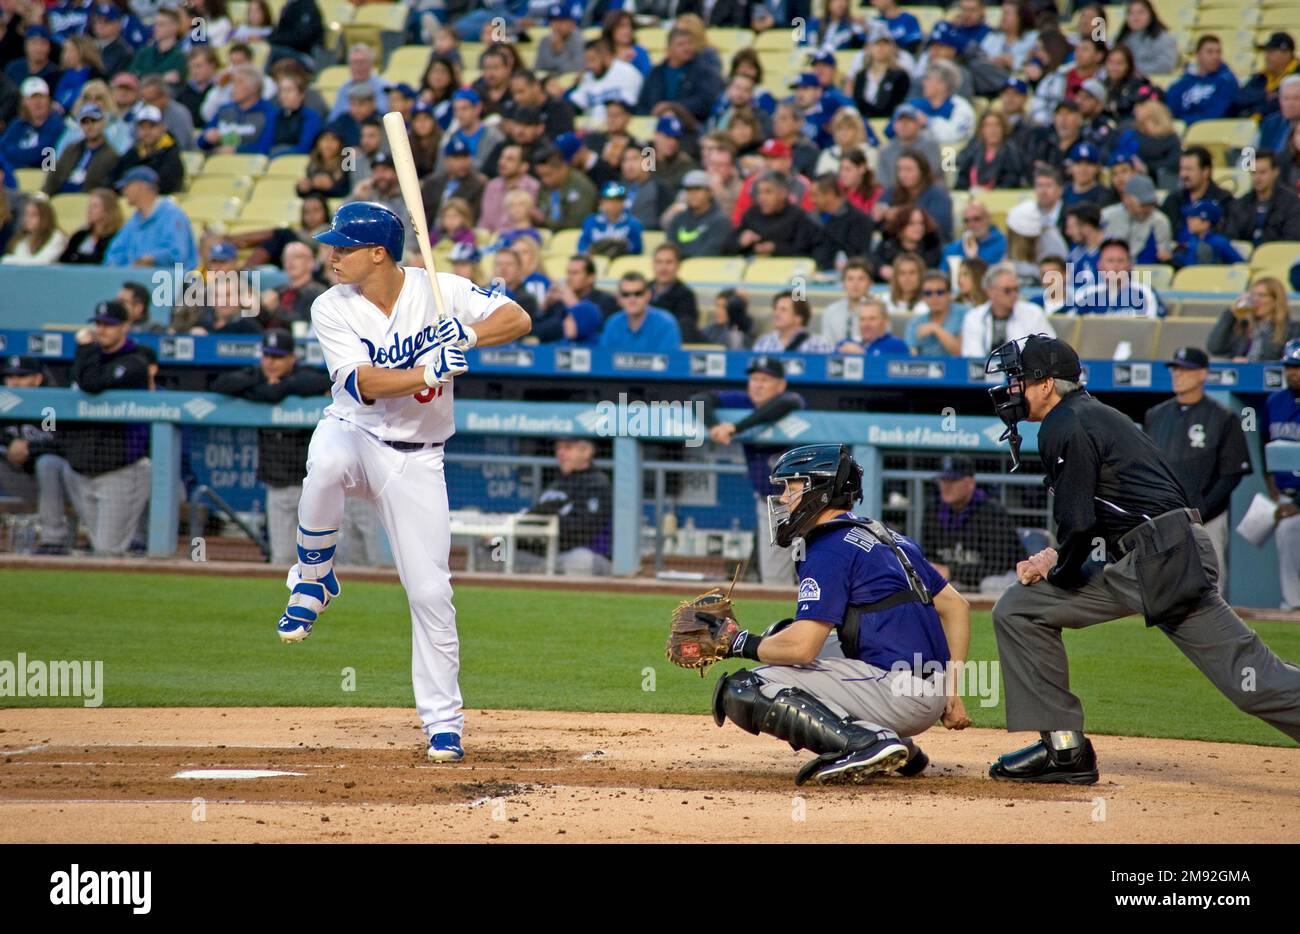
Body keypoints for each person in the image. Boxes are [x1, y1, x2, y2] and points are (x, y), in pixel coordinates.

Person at [279, 200, 531, 765]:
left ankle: (444, 725)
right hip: (354, 431)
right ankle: (313, 578)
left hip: (418, 459)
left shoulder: (438, 288)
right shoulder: (330, 306)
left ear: (378, 254)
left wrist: (466, 333)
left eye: (343, 247)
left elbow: (518, 318)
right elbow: (363, 382)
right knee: (323, 465)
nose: (332, 256)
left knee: (430, 593)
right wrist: (430, 369)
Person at [984, 334, 1300, 783]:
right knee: (1019, 607)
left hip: (1161, 559)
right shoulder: (1092, 415)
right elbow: (1098, 519)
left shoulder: (1063, 423)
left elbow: (1077, 523)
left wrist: (1058, 568)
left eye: (1019, 380)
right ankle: (1064, 749)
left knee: (1251, 681)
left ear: (1047, 385)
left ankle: (1065, 753)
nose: (1011, 390)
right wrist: (1061, 558)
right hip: (1158, 554)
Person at [705, 443, 971, 784]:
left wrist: (737, 642)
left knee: (745, 687)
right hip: (920, 685)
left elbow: (804, 648)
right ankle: (902, 751)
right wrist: (952, 689)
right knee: (779, 636)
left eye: (792, 486)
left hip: (899, 692)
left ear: (820, 490)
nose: (784, 498)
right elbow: (956, 606)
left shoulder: (828, 547)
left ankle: (867, 743)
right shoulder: (887, 535)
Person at [34, 300, 153, 557]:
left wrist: (85, 349)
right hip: (80, 469)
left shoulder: (134, 361)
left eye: (109, 325)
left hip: (121, 469)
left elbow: (92, 383)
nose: (102, 330)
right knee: (101, 548)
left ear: (126, 327)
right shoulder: (86, 358)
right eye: (98, 324)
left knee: (108, 550)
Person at [211, 329, 332, 565]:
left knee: (323, 559)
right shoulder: (255, 375)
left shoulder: (307, 377)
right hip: (277, 485)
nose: (271, 363)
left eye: (277, 357)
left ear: (291, 358)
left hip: (313, 485)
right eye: (267, 356)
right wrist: (263, 386)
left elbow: (322, 381)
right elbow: (221, 384)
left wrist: (279, 388)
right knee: (282, 559)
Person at [1142, 346, 1251, 590]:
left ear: (1203, 374)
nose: (1178, 375)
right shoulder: (1156, 415)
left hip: (1207, 519)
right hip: (1164, 516)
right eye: (1175, 369)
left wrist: (1204, 508)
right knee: (1165, 589)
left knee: (1210, 586)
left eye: (1186, 370)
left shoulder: (1223, 416)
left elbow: (1231, 473)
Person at [692, 357, 807, 586]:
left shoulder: (788, 400)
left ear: (781, 385)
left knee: (817, 571)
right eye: (754, 379)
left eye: (765, 379)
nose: (758, 384)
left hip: (808, 503)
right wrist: (715, 426)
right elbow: (698, 399)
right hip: (772, 503)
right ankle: (785, 622)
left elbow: (789, 403)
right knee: (775, 580)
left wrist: (735, 427)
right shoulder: (743, 400)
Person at [507, 438, 613, 576]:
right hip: (540, 555)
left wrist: (532, 533)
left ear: (587, 452)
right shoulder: (556, 483)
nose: (561, 453)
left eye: (568, 448)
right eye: (558, 448)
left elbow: (581, 529)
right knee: (495, 551)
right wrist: (505, 534)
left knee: (580, 560)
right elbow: (533, 517)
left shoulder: (597, 483)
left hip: (577, 555)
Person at [922, 453, 1026, 592]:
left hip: (1001, 578)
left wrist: (953, 572)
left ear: (970, 483)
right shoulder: (933, 511)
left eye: (952, 481)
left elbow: (999, 565)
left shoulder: (992, 512)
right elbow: (928, 556)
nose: (946, 486)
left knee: (989, 585)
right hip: (957, 580)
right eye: (943, 480)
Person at [1262, 340, 1300, 609]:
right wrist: (1271, 485)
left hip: (1296, 501)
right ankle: (1293, 606)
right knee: (1286, 535)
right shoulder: (1274, 402)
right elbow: (1264, 444)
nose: (1292, 372)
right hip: (1286, 495)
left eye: (1297, 367)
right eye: (1289, 366)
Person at [103, 166, 197, 269]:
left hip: (171, 282)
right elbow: (115, 254)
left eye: (127, 186)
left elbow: (178, 254)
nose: (124, 191)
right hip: (135, 280)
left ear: (140, 187)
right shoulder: (132, 223)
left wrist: (152, 259)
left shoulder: (172, 215)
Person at [960, 263, 1056, 358]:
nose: (1013, 294)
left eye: (1016, 289)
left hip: (1025, 371)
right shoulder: (974, 317)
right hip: (984, 371)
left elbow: (1051, 348)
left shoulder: (1033, 313)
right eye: (1007, 290)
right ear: (990, 291)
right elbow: (971, 355)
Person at [635, 27, 723, 123]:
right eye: (680, 44)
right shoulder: (656, 72)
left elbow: (704, 102)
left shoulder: (704, 71)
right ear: (668, 49)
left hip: (691, 125)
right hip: (655, 123)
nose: (687, 48)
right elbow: (643, 104)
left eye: (689, 43)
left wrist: (672, 107)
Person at [730, 172, 822, 257]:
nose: (762, 198)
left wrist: (775, 248)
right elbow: (725, 248)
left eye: (768, 192)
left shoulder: (798, 217)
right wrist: (740, 242)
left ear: (783, 193)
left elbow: (804, 251)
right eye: (759, 192)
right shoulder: (751, 214)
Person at [1208, 276, 1300, 361]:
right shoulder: (1243, 326)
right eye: (1252, 295)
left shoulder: (1292, 329)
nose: (1255, 300)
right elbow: (1215, 348)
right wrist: (1230, 314)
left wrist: (1251, 363)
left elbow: (1290, 362)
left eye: (1261, 295)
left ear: (1275, 300)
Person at [1069, 238, 1165, 317]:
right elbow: (1068, 325)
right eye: (1110, 261)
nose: (1115, 265)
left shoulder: (1145, 293)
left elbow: (1152, 329)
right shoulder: (1086, 294)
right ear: (1099, 265)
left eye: (1120, 260)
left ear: (1130, 265)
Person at [1225, 150, 1300, 246]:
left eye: (1262, 172)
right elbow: (1231, 237)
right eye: (1253, 173)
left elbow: (1291, 240)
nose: (1257, 177)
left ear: (1275, 172)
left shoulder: (1292, 204)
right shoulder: (1240, 204)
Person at [1160, 146, 1234, 241]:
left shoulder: (1224, 200)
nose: (1183, 174)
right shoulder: (1173, 200)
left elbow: (1227, 234)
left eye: (1189, 169)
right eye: (1182, 169)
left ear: (1206, 171)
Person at [598, 271, 681, 352]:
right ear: (618, 298)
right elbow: (605, 361)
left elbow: (670, 362)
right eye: (626, 294)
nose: (632, 299)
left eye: (638, 293)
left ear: (648, 295)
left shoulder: (666, 323)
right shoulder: (612, 324)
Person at [1101, 174, 1173, 264]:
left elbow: (1163, 258)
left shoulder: (1160, 222)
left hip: (1145, 273)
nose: (1148, 208)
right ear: (1126, 199)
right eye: (1143, 204)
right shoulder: (1107, 216)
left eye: (1151, 204)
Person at [1167, 35, 1238, 126]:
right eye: (1210, 52)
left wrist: (1185, 122)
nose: (1215, 56)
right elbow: (1170, 111)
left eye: (1218, 52)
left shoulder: (1227, 81)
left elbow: (1218, 113)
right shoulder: (1183, 83)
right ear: (1198, 55)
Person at [809, 173, 873, 273]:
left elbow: (861, 257)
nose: (812, 200)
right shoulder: (811, 220)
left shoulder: (859, 221)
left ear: (830, 194)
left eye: (815, 195)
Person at [664, 169, 732, 258]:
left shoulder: (720, 221)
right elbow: (670, 249)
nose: (693, 194)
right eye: (689, 190)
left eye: (698, 189)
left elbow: (712, 251)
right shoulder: (678, 219)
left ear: (710, 192)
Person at [533, 144, 597, 231]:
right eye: (541, 176)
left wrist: (545, 221)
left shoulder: (581, 186)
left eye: (548, 174)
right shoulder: (544, 187)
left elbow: (577, 223)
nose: (545, 180)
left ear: (563, 167)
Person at [1237, 32, 1300, 120]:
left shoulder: (1297, 76)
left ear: (1287, 53)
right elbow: (1240, 97)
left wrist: (1258, 108)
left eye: (1271, 52)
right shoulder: (1261, 76)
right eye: (1266, 52)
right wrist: (1265, 95)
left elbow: (1282, 105)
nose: (1266, 56)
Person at [648, 243, 702, 343]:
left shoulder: (686, 295)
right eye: (659, 262)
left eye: (669, 262)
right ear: (653, 265)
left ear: (678, 265)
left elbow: (684, 329)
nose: (663, 267)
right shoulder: (641, 291)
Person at [577, 181, 644, 257]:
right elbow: (582, 245)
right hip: (595, 262)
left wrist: (623, 247)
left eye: (618, 201)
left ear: (623, 203)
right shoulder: (591, 221)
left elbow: (637, 248)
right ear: (601, 202)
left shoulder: (633, 223)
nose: (613, 205)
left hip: (621, 263)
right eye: (609, 201)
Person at [752, 292, 835, 353]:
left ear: (798, 317)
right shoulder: (763, 342)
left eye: (783, 310)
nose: (776, 313)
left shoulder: (819, 344)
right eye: (775, 309)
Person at [907, 270, 966, 356]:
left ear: (949, 294)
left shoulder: (964, 314)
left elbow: (962, 353)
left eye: (940, 292)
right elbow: (911, 358)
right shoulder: (916, 322)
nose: (934, 297)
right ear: (922, 297)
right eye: (928, 293)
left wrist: (936, 329)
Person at [1172, 200, 1244, 268]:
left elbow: (1240, 264)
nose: (1188, 220)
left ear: (1206, 222)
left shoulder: (1219, 242)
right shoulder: (1192, 239)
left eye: (1193, 218)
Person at [820, 259, 873, 345]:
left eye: (861, 279)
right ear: (843, 283)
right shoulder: (831, 311)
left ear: (870, 283)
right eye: (850, 279)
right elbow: (827, 346)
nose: (855, 284)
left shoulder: (879, 312)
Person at [1, 197, 67, 266]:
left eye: (34, 215)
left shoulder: (56, 237)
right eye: (27, 214)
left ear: (45, 217)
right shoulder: (21, 239)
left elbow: (42, 263)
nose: (28, 218)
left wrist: (9, 260)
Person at [834, 299, 909, 356]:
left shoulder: (896, 345)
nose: (866, 324)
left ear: (885, 320)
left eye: (872, 319)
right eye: (862, 319)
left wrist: (863, 355)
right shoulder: (845, 343)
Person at [942, 200, 1007, 267]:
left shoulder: (1004, 244)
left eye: (976, 219)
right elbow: (943, 275)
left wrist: (975, 260)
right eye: (966, 220)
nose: (971, 225)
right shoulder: (952, 249)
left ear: (988, 218)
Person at [535, 2, 585, 74]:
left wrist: (560, 51)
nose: (556, 25)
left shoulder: (579, 41)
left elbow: (576, 72)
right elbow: (537, 69)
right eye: (554, 21)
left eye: (561, 21)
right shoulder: (545, 41)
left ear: (572, 23)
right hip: (548, 82)